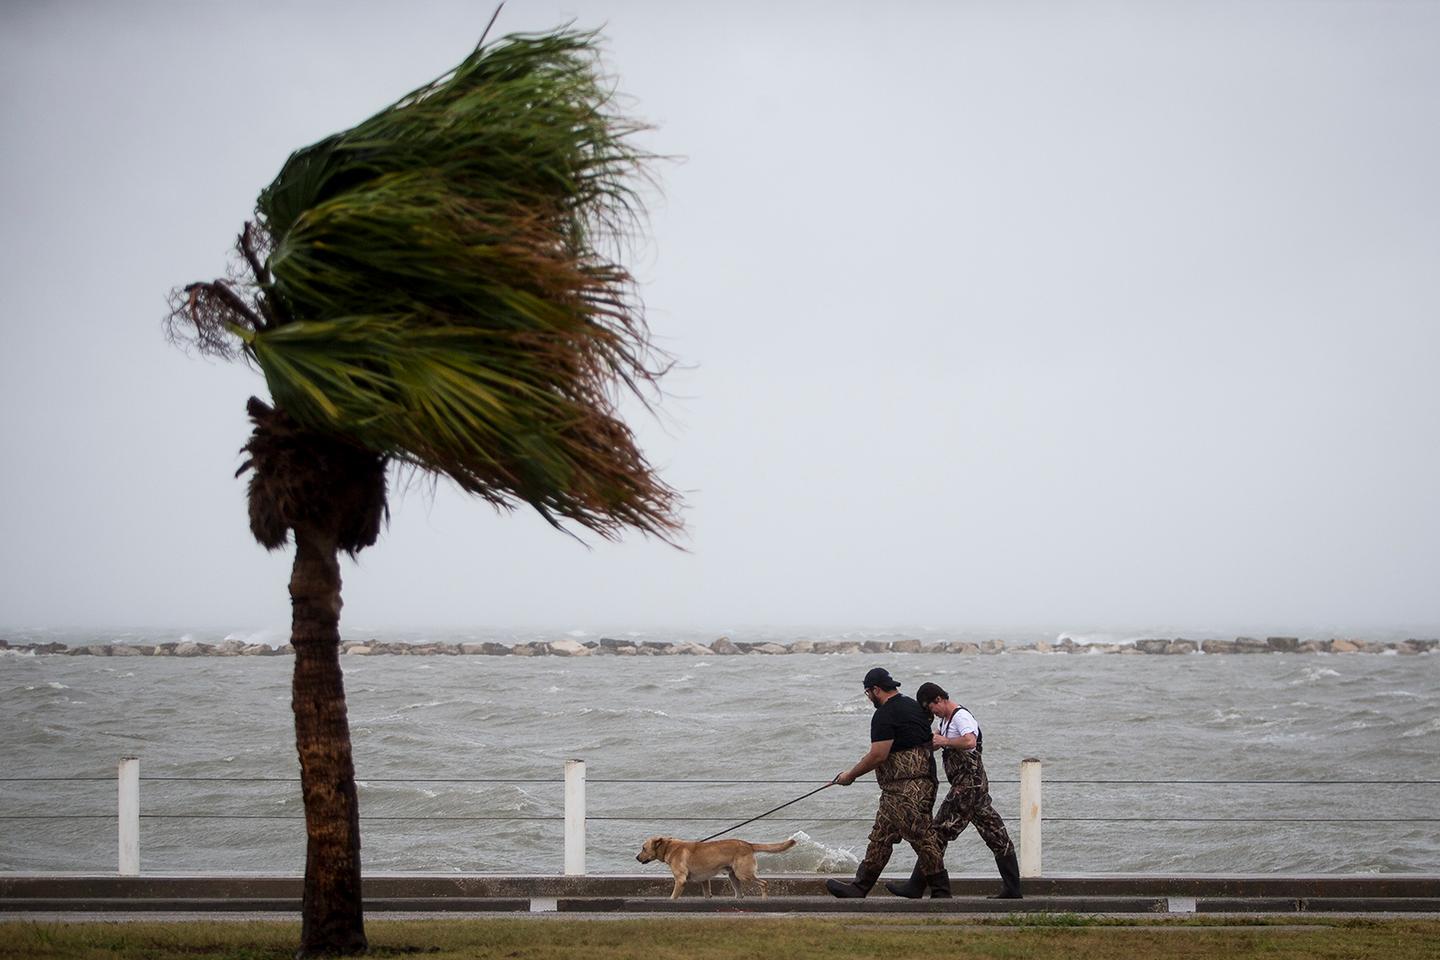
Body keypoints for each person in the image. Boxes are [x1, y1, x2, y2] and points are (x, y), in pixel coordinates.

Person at [884, 681, 1022, 899]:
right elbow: (935, 741)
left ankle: (917, 886)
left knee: (937, 833)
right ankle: (1014, 889)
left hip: (966, 788)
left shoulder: (961, 717)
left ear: (939, 699)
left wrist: (945, 741)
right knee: (996, 834)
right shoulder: (947, 721)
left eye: (931, 708)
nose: (933, 714)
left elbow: (969, 741)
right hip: (975, 790)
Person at [826, 667, 950, 899]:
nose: (869, 698)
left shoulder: (884, 714)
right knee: (881, 837)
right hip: (917, 784)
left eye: (868, 693)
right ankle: (860, 887)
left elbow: (878, 755)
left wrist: (850, 775)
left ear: (875, 690)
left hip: (906, 788)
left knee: (922, 838)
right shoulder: (913, 707)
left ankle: (942, 892)